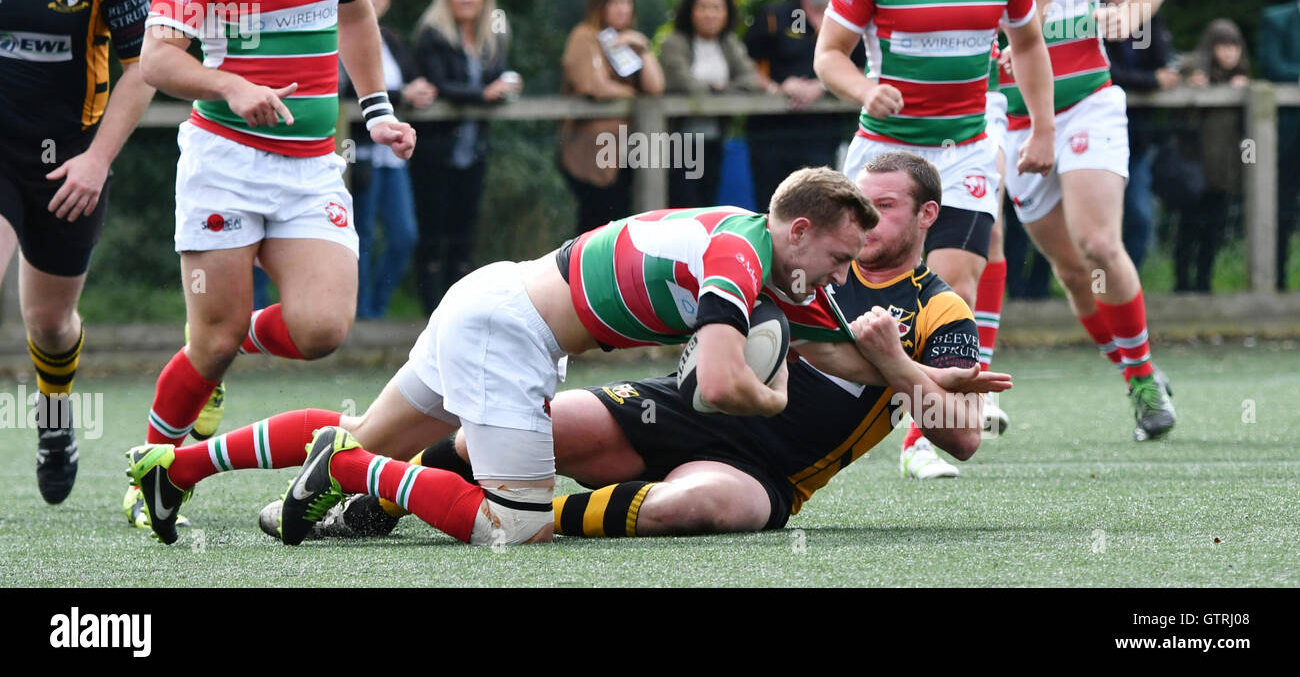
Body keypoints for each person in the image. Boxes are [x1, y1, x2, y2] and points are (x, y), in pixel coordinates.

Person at [264, 151, 1009, 541]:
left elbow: (962, 437)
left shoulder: (936, 308)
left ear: (927, 216)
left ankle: (492, 506)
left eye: (885, 211)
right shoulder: (792, 267)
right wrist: (799, 381)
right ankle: (377, 494)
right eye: (861, 214)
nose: (869, 232)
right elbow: (724, 379)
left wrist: (897, 363)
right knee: (482, 443)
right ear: (814, 227)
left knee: (704, 505)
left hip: (766, 471)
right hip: (661, 401)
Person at [124, 167, 877, 546]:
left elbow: (844, 347)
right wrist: (772, 396)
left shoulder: (768, 255)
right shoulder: (741, 258)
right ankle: (345, 471)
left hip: (493, 300)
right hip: (508, 332)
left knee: (372, 435)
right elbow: (717, 383)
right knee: (514, 529)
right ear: (802, 229)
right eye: (842, 257)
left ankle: (175, 470)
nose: (843, 276)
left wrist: (925, 378)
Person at [126, 0, 416, 526]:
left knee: (321, 331)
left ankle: (222, 349)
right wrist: (229, 84)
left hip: (312, 162)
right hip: (223, 159)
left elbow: (354, 13)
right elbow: (158, 61)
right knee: (212, 339)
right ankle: (150, 472)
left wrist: (377, 108)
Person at [816, 0, 1057, 479]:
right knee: (854, 285)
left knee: (954, 282)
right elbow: (828, 54)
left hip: (967, 150)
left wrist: (1042, 128)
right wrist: (866, 89)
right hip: (885, 154)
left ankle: (926, 435)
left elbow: (1030, 47)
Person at [992, 0, 1176, 441]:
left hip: (1087, 105)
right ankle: (1132, 373)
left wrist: (1129, 12)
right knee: (1073, 272)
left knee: (1098, 242)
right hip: (1013, 121)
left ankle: (1146, 381)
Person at [0, 0, 154, 504]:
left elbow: (146, 68)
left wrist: (96, 160)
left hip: (70, 164)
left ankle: (55, 419)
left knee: (50, 324)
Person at [408, 0, 517, 312]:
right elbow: (439, 85)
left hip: (473, 150)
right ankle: (428, 314)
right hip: (435, 151)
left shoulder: (493, 35)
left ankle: (459, 314)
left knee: (463, 236)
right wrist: (483, 93)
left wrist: (508, 85)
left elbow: (499, 77)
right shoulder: (432, 32)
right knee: (432, 235)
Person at [345, 0, 435, 319]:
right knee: (362, 235)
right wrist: (401, 95)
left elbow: (411, 79)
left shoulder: (392, 40)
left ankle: (376, 310)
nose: (373, 0)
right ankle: (360, 313)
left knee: (404, 235)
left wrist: (423, 90)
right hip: (358, 152)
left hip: (393, 156)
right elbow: (345, 91)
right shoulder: (339, 38)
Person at [744, 0, 863, 204]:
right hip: (770, 135)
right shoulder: (775, 16)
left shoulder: (850, 20)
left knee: (819, 207)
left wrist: (823, 86)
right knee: (770, 208)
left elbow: (865, 69)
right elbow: (745, 65)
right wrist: (777, 88)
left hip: (823, 134)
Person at [558, 0, 665, 233]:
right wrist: (631, 93)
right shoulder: (584, 36)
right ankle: (580, 273)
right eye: (615, 1)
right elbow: (593, 85)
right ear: (600, 5)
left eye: (627, 2)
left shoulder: (629, 40)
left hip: (625, 151)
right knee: (594, 226)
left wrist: (643, 48)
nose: (623, 8)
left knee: (620, 225)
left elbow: (655, 87)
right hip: (588, 152)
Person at [658, 0, 765, 207]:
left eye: (716, 7)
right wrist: (719, 90)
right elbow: (683, 82)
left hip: (715, 140)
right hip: (679, 144)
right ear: (691, 11)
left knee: (709, 204)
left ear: (726, 12)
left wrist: (719, 90)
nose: (710, 14)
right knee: (683, 207)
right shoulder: (674, 43)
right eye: (703, 7)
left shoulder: (729, 44)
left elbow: (750, 80)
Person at [1101, 0, 1180, 269]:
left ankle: (1129, 280)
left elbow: (1165, 64)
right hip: (1099, 139)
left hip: (1137, 139)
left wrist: (1157, 77)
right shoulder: (1094, 22)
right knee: (1097, 222)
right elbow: (1106, 71)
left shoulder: (1148, 21)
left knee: (1139, 215)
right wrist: (1150, 80)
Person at [1177, 19, 1251, 291]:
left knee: (1213, 232)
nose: (1230, 53)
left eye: (1234, 46)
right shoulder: (1194, 75)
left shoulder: (1244, 81)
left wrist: (1246, 97)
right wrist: (1192, 94)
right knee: (1188, 229)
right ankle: (1182, 284)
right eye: (1223, 46)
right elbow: (1180, 126)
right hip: (1194, 169)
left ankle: (1204, 283)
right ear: (1212, 48)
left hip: (1225, 170)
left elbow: (1249, 134)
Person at [1257, 0, 1300, 289]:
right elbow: (1274, 66)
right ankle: (1277, 284)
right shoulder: (1276, 19)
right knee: (1281, 209)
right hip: (1287, 134)